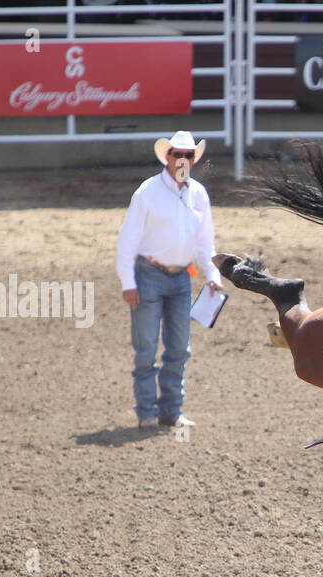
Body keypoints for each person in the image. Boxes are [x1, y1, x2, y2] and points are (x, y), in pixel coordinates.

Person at [115, 130, 223, 430]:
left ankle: (171, 411)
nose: (184, 160)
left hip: (181, 279)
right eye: (179, 154)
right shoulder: (146, 193)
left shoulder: (198, 194)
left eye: (189, 155)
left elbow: (205, 244)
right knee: (146, 349)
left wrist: (213, 275)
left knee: (179, 349)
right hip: (148, 275)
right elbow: (127, 240)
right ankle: (147, 411)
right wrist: (128, 281)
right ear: (168, 157)